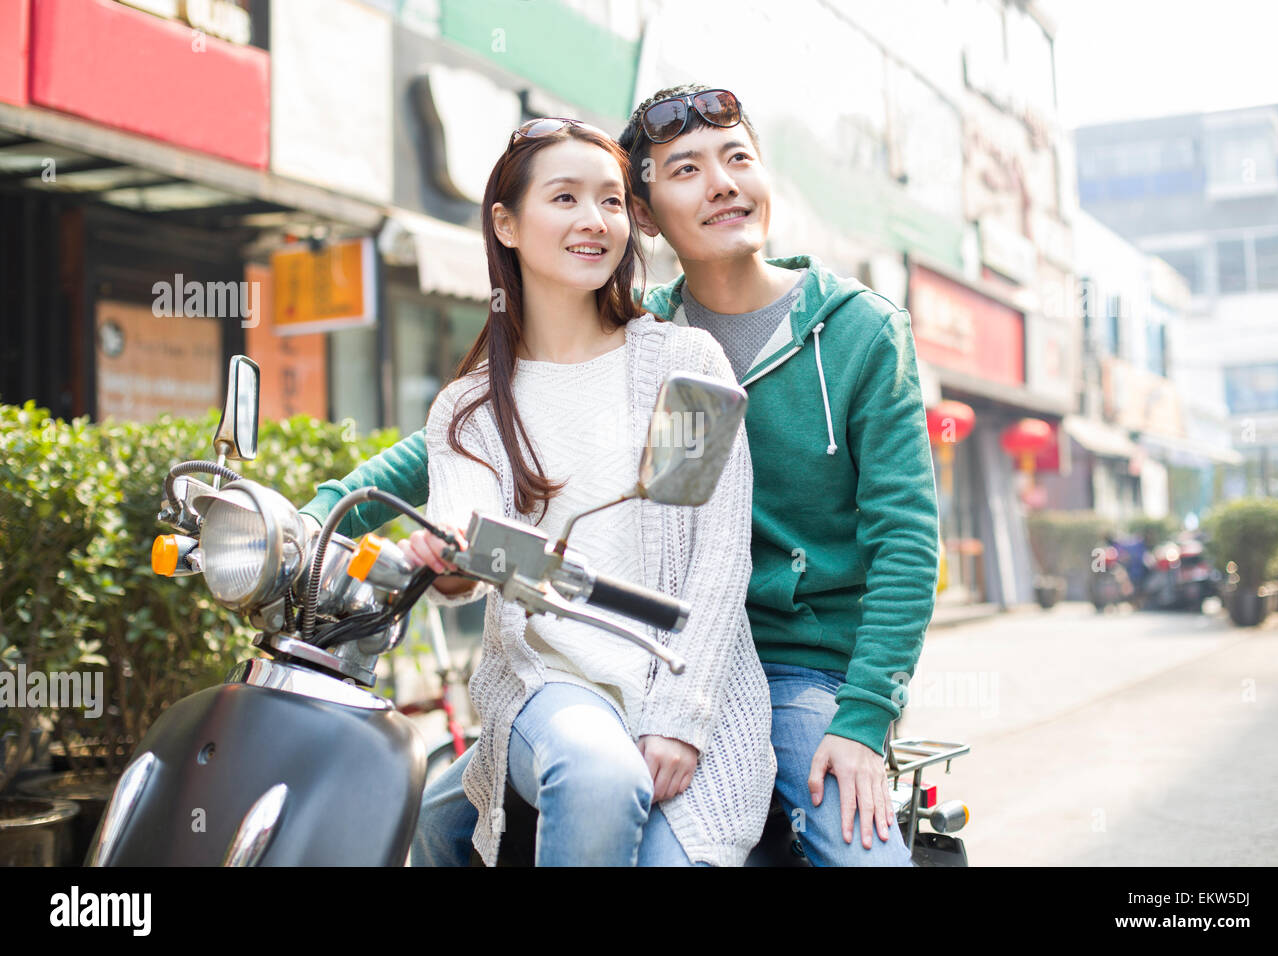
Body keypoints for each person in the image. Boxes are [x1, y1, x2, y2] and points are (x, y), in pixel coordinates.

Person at [301, 85, 939, 866]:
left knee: (864, 856)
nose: (723, 184)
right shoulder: (646, 327)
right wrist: (328, 509)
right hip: (622, 651)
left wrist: (864, 718)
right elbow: (467, 437)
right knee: (439, 819)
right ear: (646, 213)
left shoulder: (854, 333)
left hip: (798, 666)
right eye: (687, 171)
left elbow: (906, 545)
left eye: (738, 159)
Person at [365, 116, 774, 867]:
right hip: (549, 679)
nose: (595, 222)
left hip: (693, 698)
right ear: (506, 224)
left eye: (612, 202)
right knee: (594, 774)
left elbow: (718, 559)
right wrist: (448, 553)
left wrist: (681, 720)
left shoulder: (685, 363)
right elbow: (467, 523)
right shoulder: (470, 407)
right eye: (564, 199)